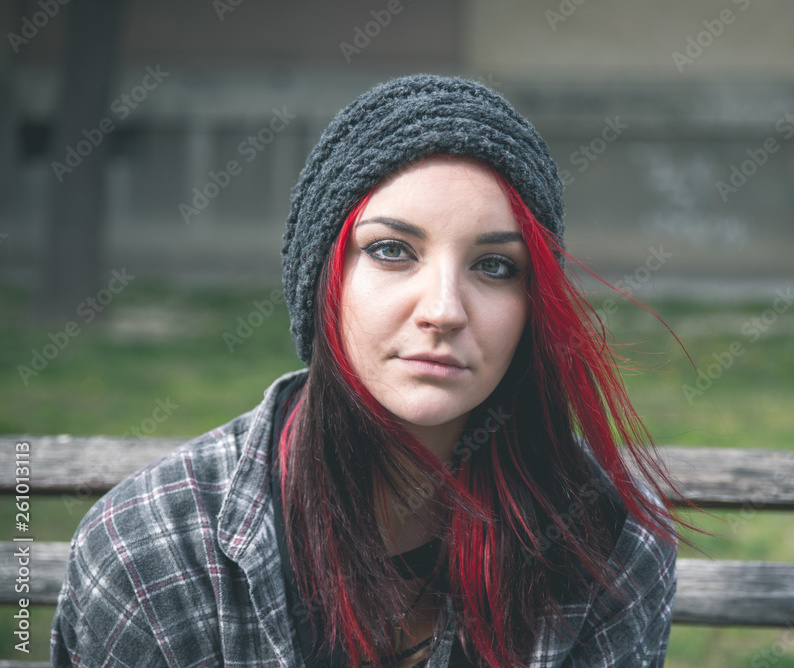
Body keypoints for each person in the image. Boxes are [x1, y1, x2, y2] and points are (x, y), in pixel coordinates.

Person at [51, 74, 682, 667]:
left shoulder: (609, 546)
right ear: (323, 281)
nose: (442, 311)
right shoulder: (152, 552)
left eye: (494, 266)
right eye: (391, 251)